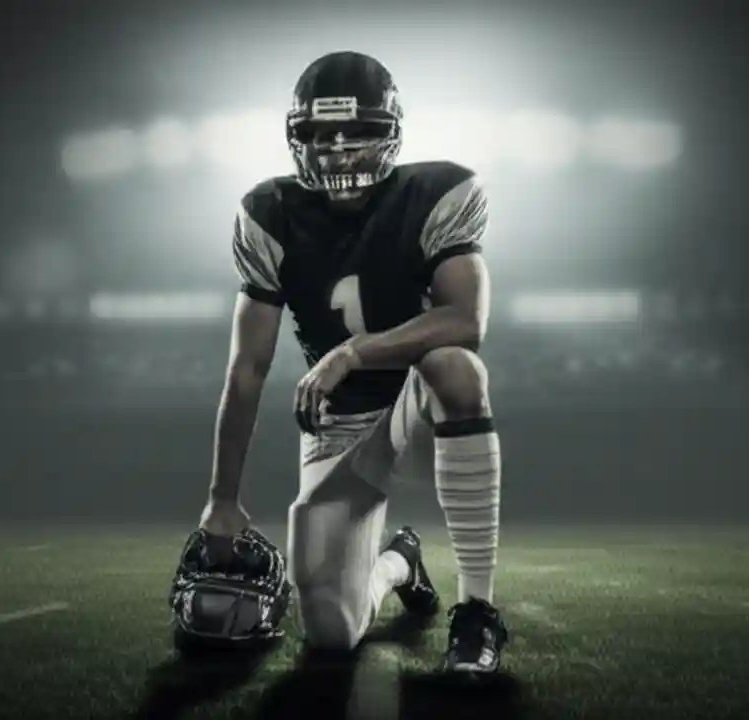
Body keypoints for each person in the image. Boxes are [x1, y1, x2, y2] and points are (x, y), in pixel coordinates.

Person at [198, 50, 507, 672]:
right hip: (338, 428)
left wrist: (353, 351)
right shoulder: (269, 214)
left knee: (456, 367)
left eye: (358, 133)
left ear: (389, 133)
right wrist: (222, 498)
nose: (338, 153)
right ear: (298, 138)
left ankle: (477, 610)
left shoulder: (435, 193)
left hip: (417, 407)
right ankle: (400, 561)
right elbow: (247, 368)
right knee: (332, 630)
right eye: (320, 135)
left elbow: (465, 320)